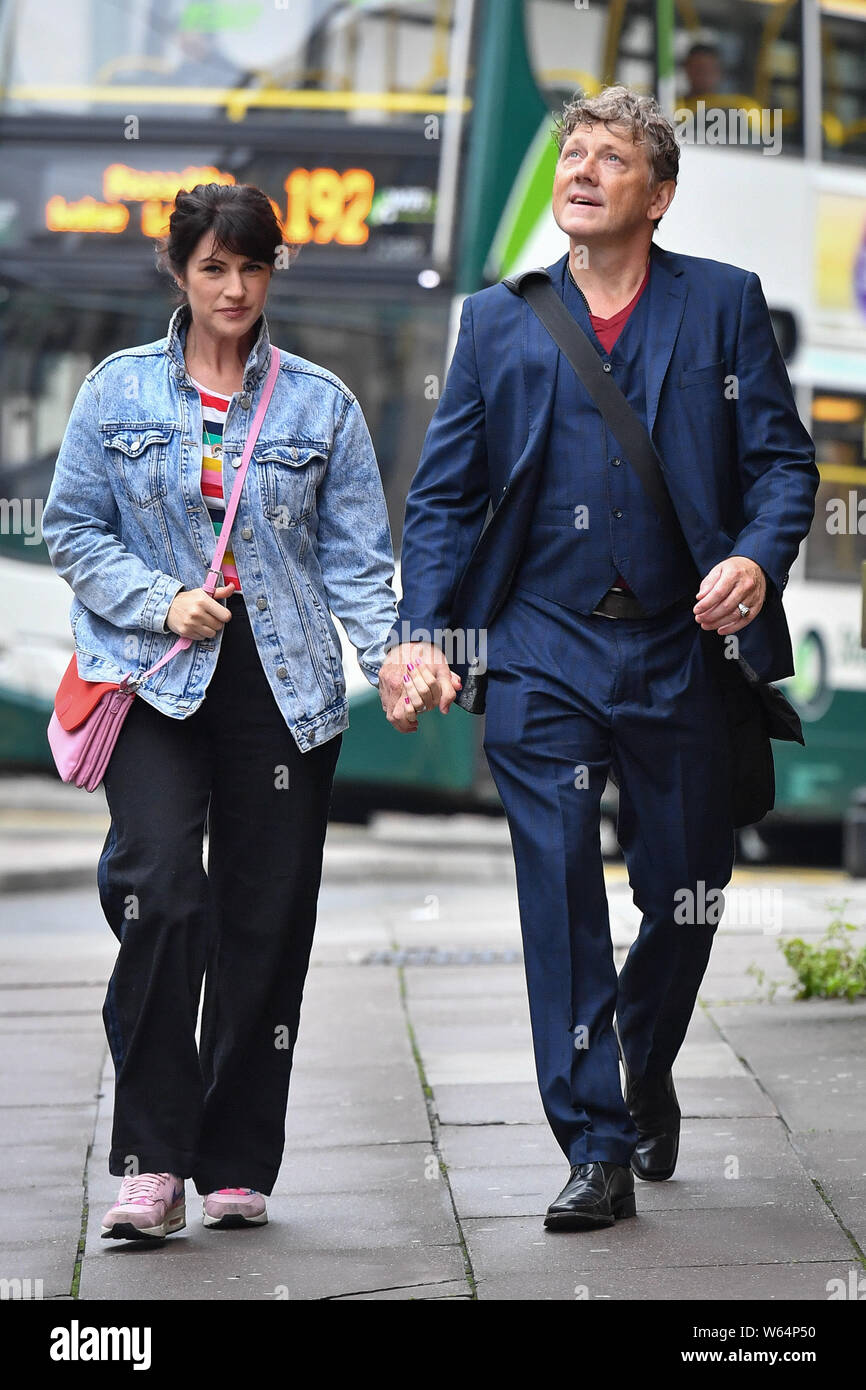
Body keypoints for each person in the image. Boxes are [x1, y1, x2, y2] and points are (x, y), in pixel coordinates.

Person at [378, 86, 818, 1231]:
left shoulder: (721, 305)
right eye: (571, 151)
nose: (579, 168)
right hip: (539, 649)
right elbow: (441, 499)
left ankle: (640, 1056)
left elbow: (781, 464)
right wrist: (422, 633)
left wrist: (758, 561)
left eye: (609, 156)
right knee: (556, 883)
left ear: (655, 195)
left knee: (690, 890)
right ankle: (594, 1141)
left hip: (682, 649)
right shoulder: (498, 319)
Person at [42, 182, 398, 1241]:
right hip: (152, 677)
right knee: (162, 895)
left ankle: (236, 1158)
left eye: (252, 266)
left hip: (279, 686)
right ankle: (153, 1161)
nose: (234, 287)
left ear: (271, 269)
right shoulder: (114, 394)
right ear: (179, 272)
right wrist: (162, 601)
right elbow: (72, 531)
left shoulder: (320, 405)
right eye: (213, 267)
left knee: (262, 923)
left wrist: (396, 662)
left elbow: (358, 563)